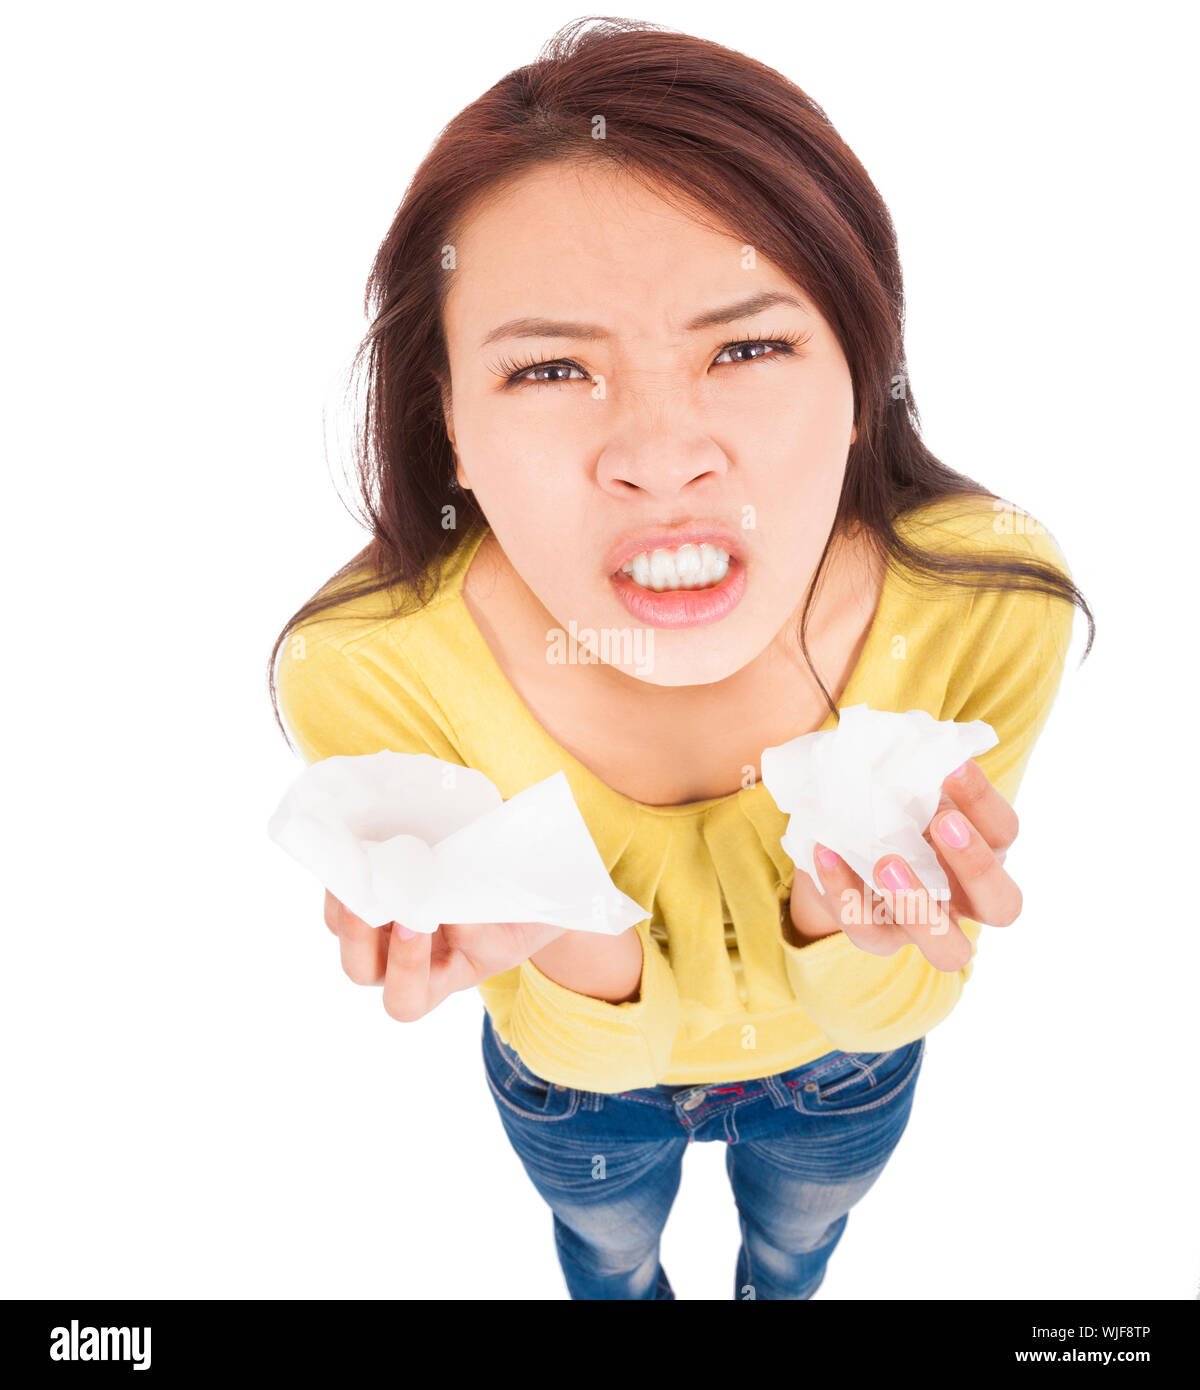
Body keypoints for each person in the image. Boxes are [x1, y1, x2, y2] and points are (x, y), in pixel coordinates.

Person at [268, 17, 1093, 1299]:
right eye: (549, 367)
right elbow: (578, 1047)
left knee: (801, 1246)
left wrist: (849, 917)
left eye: (749, 347)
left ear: (864, 364)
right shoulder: (374, 674)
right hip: (580, 1098)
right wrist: (556, 935)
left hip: (850, 1078)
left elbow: (890, 1007)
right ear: (454, 427)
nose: (661, 454)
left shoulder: (988, 605)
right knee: (606, 1262)